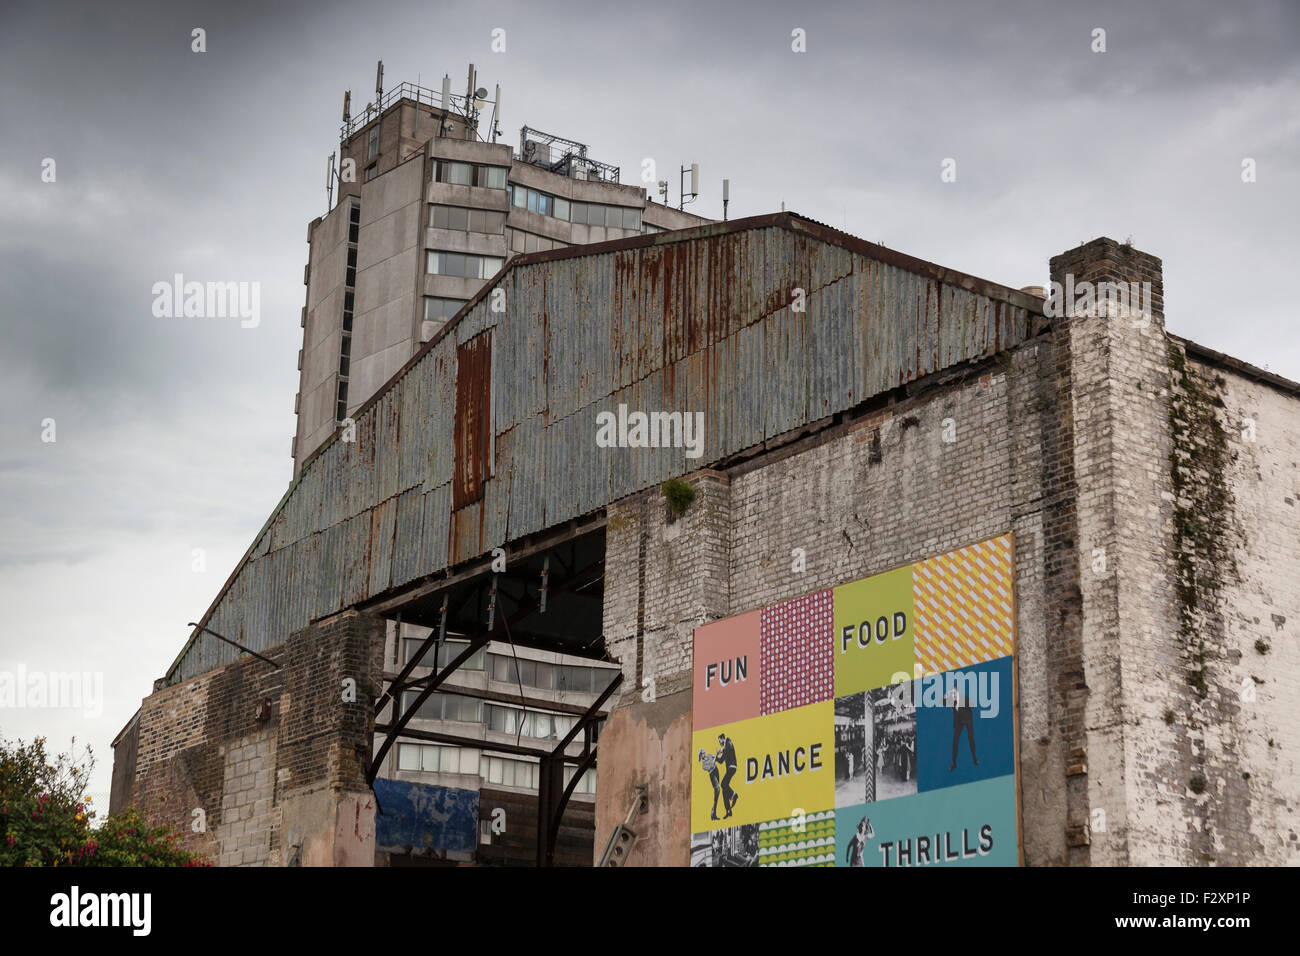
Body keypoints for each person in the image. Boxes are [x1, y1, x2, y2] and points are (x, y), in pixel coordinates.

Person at [946, 684, 979, 771]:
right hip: (958, 722)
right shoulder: (951, 701)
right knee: (955, 742)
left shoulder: (964, 698)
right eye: (952, 693)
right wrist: (948, 694)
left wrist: (966, 703)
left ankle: (975, 759)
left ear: (957, 692)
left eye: (954, 692)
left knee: (971, 739)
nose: (953, 695)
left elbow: (973, 704)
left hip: (968, 720)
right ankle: (954, 764)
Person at [716, 732, 739, 817]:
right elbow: (721, 760)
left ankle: (734, 794)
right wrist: (715, 758)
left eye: (720, 741)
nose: (720, 743)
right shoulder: (725, 748)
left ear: (723, 739)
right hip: (729, 768)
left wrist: (721, 750)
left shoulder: (728, 741)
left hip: (732, 767)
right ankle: (728, 811)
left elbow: (728, 748)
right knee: (724, 789)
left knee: (723, 784)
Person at [698, 748, 722, 819]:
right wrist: (716, 757)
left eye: (704, 752)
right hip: (712, 774)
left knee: (717, 793)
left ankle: (713, 812)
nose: (704, 754)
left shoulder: (709, 755)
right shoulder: (703, 765)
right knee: (717, 789)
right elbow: (711, 766)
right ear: (700, 755)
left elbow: (715, 758)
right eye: (702, 753)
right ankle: (713, 811)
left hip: (716, 771)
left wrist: (718, 754)